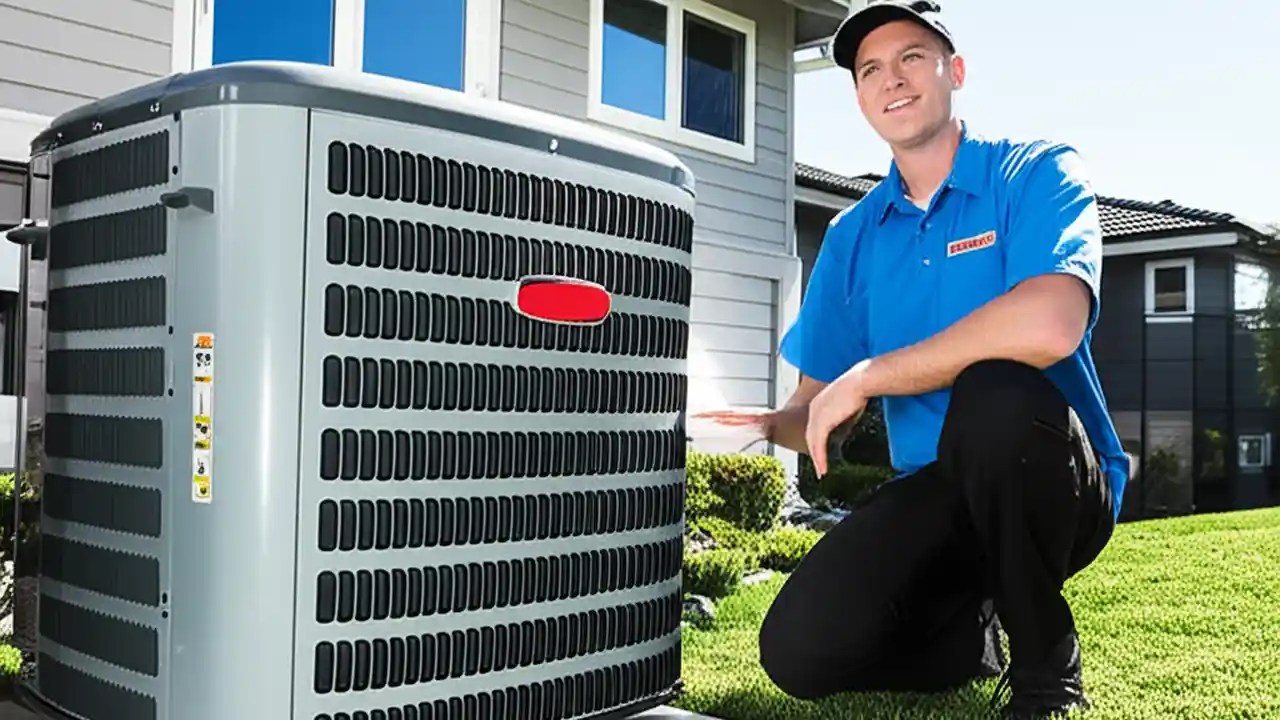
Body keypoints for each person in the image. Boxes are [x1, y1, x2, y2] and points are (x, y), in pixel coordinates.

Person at [695, 1, 1128, 718]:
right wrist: (762, 425)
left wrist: (876, 375)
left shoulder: (1034, 172)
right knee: (798, 652)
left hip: (1051, 482)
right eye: (870, 70)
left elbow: (1052, 323)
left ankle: (1047, 669)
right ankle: (960, 644)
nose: (890, 78)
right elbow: (815, 405)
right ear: (860, 97)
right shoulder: (853, 235)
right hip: (936, 491)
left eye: (911, 58)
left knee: (994, 393)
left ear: (954, 71)